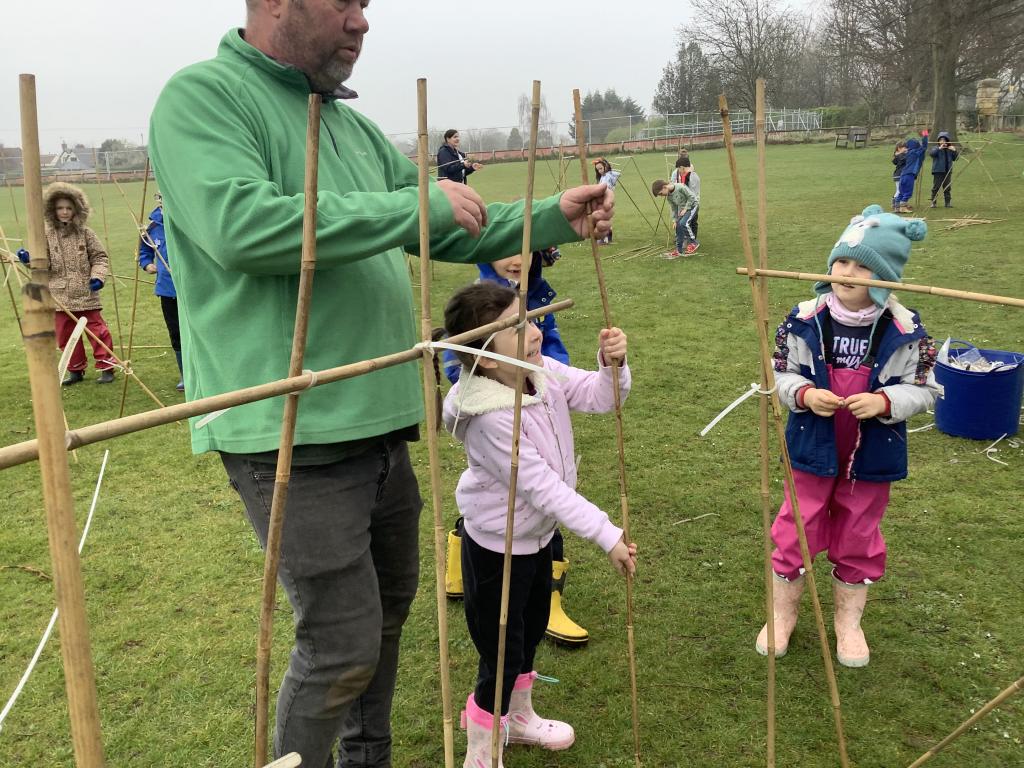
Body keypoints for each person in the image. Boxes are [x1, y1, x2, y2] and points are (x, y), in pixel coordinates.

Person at [147, 2, 615, 766]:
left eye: (365, 5)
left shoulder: (350, 128)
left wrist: (550, 214)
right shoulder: (203, 99)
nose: (360, 21)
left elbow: (447, 220)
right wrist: (412, 204)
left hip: (382, 424)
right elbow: (242, 226)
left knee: (384, 618)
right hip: (292, 430)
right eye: (343, 1)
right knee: (340, 642)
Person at [440, 281, 637, 768]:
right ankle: (481, 749)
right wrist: (607, 533)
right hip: (497, 549)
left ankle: (521, 718)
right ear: (488, 360)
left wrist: (611, 365)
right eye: (517, 327)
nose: (534, 331)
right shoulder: (489, 418)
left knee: (527, 635)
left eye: (529, 318)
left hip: (536, 537)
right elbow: (542, 487)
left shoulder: (538, 370)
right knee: (501, 653)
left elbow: (600, 397)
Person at [757, 205, 937, 668]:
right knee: (796, 527)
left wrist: (885, 402)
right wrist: (803, 394)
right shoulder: (804, 319)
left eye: (861, 266)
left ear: (885, 276)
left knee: (859, 532)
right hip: (811, 446)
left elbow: (926, 388)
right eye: (841, 261)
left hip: (871, 455)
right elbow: (780, 374)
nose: (846, 273)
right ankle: (782, 613)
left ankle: (848, 621)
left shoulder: (906, 330)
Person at [441, 247, 589, 647]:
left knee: (538, 513)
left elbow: (550, 342)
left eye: (524, 250)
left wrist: (548, 374)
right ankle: (462, 563)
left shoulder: (534, 294)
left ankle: (545, 603)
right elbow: (462, 363)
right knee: (506, 494)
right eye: (504, 251)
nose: (516, 260)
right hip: (506, 400)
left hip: (535, 390)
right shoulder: (482, 304)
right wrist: (500, 380)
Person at [40, 182, 117, 385]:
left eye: (69, 208)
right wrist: (29, 259)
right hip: (60, 296)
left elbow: (100, 257)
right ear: (52, 210)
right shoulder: (47, 236)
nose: (64, 212)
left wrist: (97, 277)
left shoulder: (86, 233)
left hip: (86, 293)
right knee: (66, 335)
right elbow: (43, 264)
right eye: (60, 208)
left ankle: (106, 367)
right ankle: (75, 369)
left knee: (98, 332)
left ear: (76, 209)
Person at [137, 193, 184, 391]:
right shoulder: (152, 228)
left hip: (190, 289)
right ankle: (185, 375)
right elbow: (144, 251)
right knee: (176, 333)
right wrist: (147, 264)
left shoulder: (188, 221)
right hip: (167, 291)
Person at [651, 177, 698, 258]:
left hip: (692, 206)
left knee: (683, 223)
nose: (662, 196)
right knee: (678, 226)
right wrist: (675, 220)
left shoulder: (680, 187)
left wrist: (686, 208)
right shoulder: (669, 196)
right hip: (683, 210)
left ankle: (693, 243)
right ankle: (679, 250)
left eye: (661, 193)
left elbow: (692, 197)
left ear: (664, 187)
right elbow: (674, 208)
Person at [894, 130, 929, 213]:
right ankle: (903, 207)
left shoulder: (908, 153)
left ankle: (897, 207)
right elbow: (924, 146)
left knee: (901, 192)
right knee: (908, 192)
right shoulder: (916, 152)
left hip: (903, 174)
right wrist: (925, 134)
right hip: (909, 174)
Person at [592, 158, 620, 244]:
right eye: (598, 170)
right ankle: (606, 238)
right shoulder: (603, 177)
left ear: (605, 166)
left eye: (601, 168)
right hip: (603, 200)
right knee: (604, 218)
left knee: (604, 219)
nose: (600, 171)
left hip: (607, 200)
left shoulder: (608, 176)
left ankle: (605, 239)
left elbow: (605, 188)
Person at [928, 131, 959, 208]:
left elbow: (956, 158)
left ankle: (947, 203)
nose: (943, 142)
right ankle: (933, 202)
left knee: (947, 187)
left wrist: (954, 150)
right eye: (941, 140)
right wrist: (939, 148)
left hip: (947, 171)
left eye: (944, 140)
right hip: (938, 171)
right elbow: (932, 154)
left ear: (947, 141)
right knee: (936, 187)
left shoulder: (949, 149)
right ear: (938, 141)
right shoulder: (936, 148)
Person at [890, 140, 907, 212]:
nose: (906, 149)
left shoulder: (899, 155)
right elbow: (903, 160)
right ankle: (896, 205)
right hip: (899, 175)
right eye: (904, 147)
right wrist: (904, 154)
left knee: (900, 190)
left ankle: (895, 204)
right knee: (899, 190)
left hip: (900, 175)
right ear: (899, 148)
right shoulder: (900, 156)